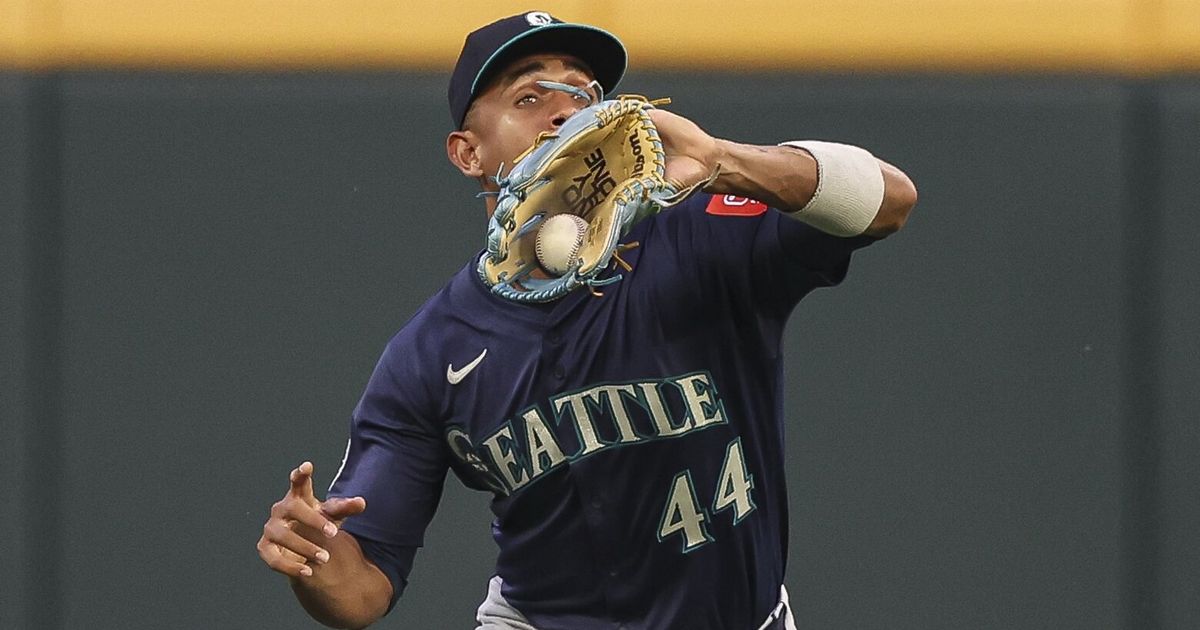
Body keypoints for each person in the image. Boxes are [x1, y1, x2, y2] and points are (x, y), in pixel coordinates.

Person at [256, 11, 917, 630]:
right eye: (529, 98)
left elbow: (891, 200)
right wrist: (310, 554)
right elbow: (361, 587)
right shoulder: (432, 352)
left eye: (585, 92)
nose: (568, 110)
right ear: (468, 152)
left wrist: (724, 160)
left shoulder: (701, 235)